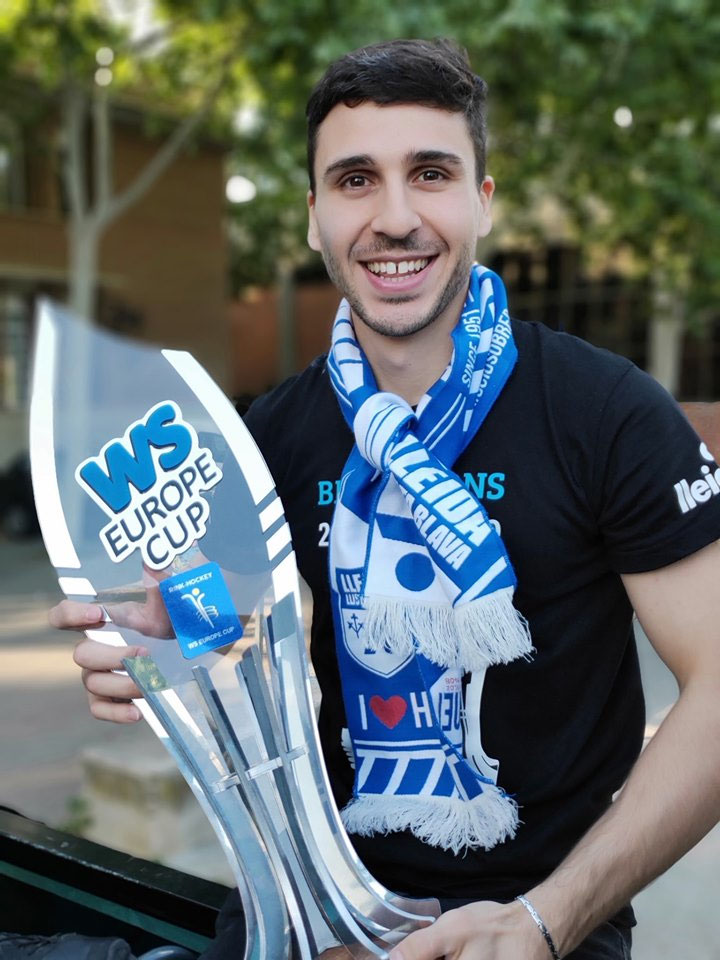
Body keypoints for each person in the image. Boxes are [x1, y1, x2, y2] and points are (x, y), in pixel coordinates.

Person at [50, 38, 720, 960]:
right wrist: (159, 648)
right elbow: (241, 635)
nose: (395, 218)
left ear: (484, 202)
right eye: (356, 180)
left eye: (432, 173)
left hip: (541, 916)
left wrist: (547, 919)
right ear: (315, 216)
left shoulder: (602, 411)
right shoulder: (271, 434)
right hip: (315, 904)